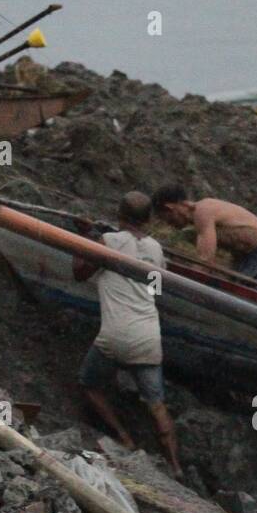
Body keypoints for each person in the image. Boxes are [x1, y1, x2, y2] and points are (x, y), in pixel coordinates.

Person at [72, 191, 181, 475]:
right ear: (148, 220)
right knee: (157, 405)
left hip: (115, 334)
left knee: (88, 384)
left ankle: (124, 437)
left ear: (119, 215)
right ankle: (175, 464)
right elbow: (157, 287)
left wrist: (85, 241)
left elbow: (79, 273)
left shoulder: (107, 242)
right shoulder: (156, 249)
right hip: (148, 335)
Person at [151, 183, 257, 287]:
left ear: (170, 208)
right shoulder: (194, 228)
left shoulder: (203, 211)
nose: (169, 224)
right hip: (247, 260)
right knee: (241, 299)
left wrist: (180, 284)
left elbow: (205, 260)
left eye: (167, 219)